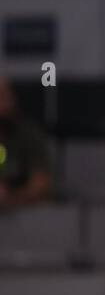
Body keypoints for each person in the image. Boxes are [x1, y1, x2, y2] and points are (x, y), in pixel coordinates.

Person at [0, 76, 53, 209]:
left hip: (25, 216)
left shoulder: (28, 135)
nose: (4, 103)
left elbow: (41, 183)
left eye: (4, 96)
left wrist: (11, 198)